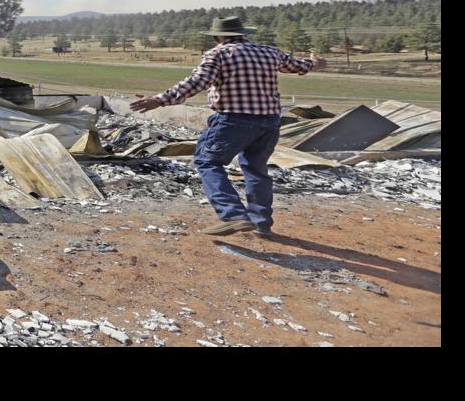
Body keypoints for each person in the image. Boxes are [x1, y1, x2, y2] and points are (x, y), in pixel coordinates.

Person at [131, 16, 326, 237]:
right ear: (244, 33)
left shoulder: (219, 53)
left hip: (233, 120)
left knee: (207, 161)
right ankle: (261, 222)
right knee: (256, 169)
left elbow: (197, 82)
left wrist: (159, 100)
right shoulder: (269, 51)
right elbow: (297, 66)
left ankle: (233, 215)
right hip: (269, 121)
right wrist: (315, 63)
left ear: (217, 36)